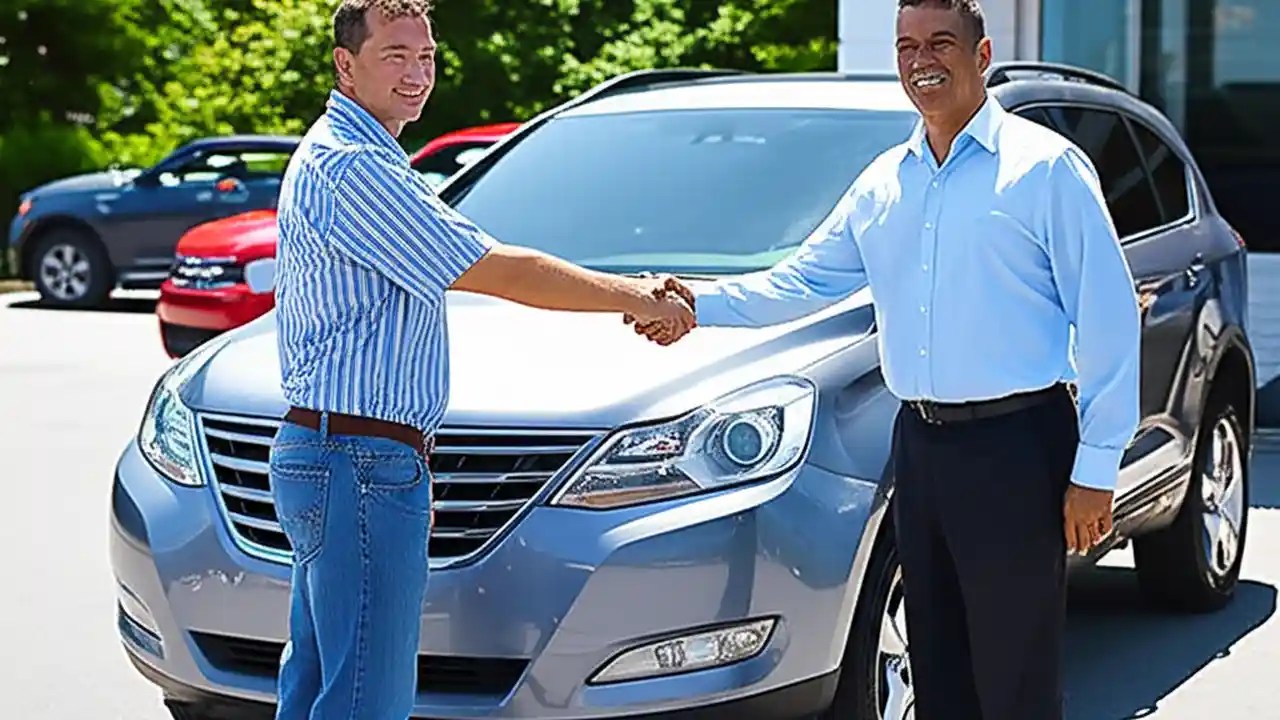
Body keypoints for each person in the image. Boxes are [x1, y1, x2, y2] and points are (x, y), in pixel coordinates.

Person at [631, 1, 1141, 718]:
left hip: (1018, 446)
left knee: (1015, 677)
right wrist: (693, 306)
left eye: (940, 43)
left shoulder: (1045, 168)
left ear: (983, 53)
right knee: (937, 666)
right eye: (906, 45)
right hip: (921, 448)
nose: (920, 60)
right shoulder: (884, 182)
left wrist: (1096, 468)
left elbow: (1110, 318)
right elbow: (800, 283)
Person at [267, 1, 694, 718]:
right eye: (394, 55)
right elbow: (499, 270)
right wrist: (637, 296)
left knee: (320, 687)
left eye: (426, 55)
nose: (416, 73)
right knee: (364, 699)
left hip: (342, 455)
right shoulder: (353, 168)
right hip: (359, 464)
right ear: (346, 65)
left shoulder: (358, 156)